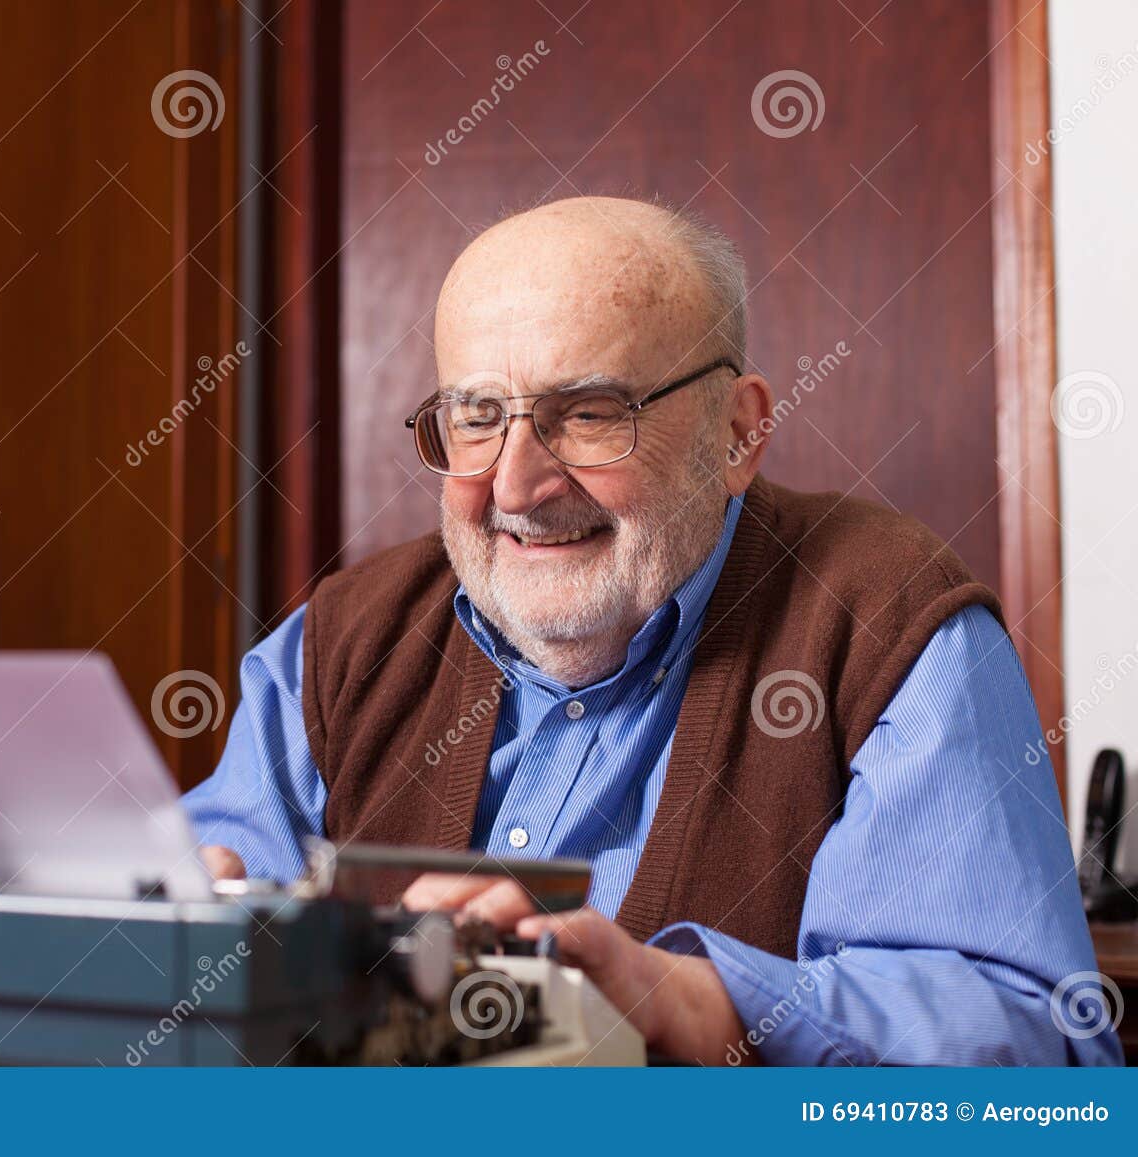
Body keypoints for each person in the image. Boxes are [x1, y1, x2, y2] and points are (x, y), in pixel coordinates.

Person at [184, 196, 1121, 1066]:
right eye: (477, 417)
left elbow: (1042, 1049)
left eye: (589, 414)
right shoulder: (340, 643)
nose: (516, 486)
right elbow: (185, 960)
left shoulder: (889, 624)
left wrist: (691, 1001)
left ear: (738, 433)